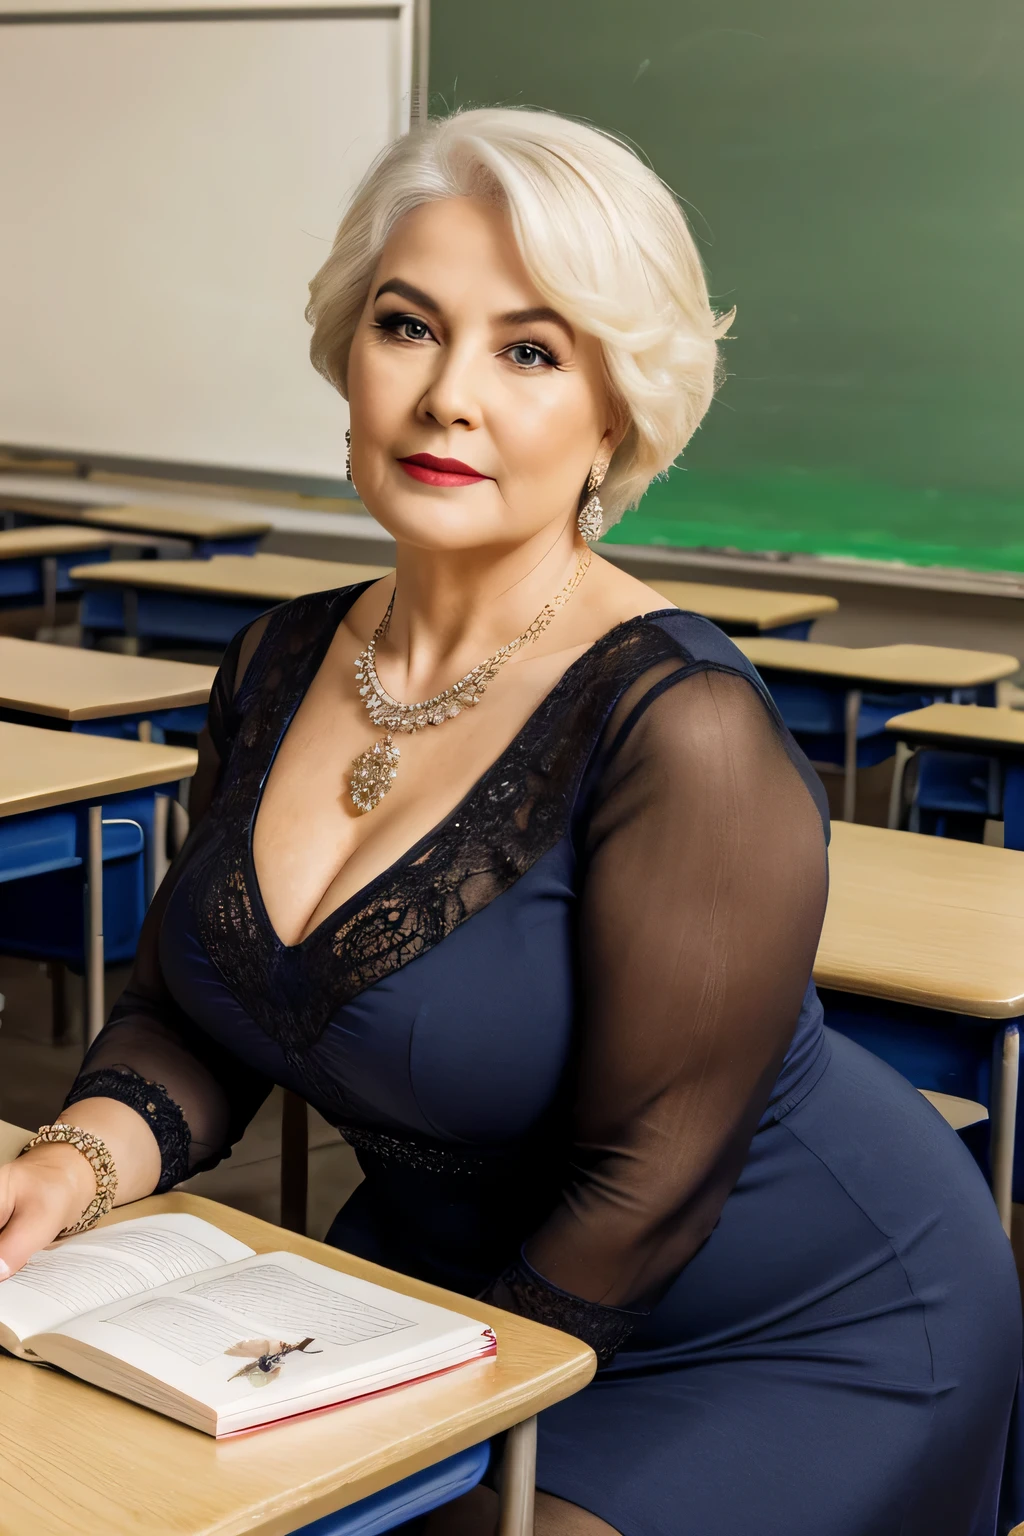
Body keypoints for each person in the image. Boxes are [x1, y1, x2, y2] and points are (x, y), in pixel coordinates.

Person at [1, 109, 1019, 1536]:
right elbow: (197, 1014)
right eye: (408, 327)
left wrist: (436, 1410)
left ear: (616, 415)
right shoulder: (278, 662)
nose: (447, 398)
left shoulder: (685, 728)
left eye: (530, 352)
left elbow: (652, 1181)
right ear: (348, 354)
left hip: (786, 1329)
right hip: (436, 1288)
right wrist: (75, 1161)